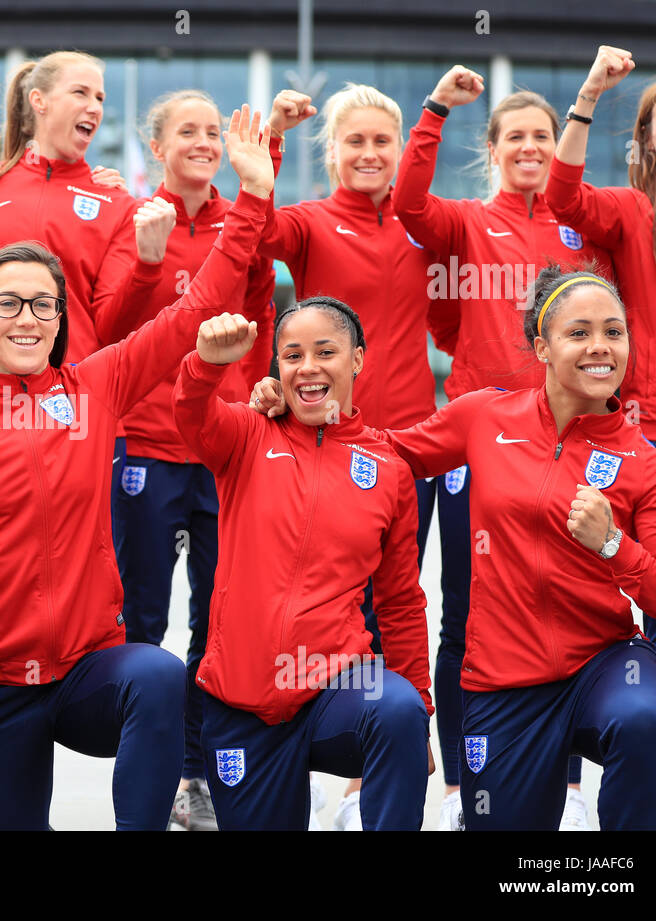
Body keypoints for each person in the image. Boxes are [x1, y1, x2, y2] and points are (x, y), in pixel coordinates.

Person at [0, 106, 274, 830]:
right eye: (7, 303)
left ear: (62, 318)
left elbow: (195, 311)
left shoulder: (97, 386)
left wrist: (251, 199)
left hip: (87, 673)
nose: (27, 318)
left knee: (158, 671)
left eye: (43, 304)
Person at [252, 266, 656, 830]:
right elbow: (384, 455)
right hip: (501, 680)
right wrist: (296, 410)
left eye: (614, 331)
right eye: (578, 333)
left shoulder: (645, 466)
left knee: (640, 720)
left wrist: (613, 545)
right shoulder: (486, 416)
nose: (599, 347)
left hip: (602, 667)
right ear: (542, 347)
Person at [392, 65, 616, 829]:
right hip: (482, 449)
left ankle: (574, 779)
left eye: (542, 137)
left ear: (559, 150)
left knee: (579, 608)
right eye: (515, 135)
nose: (529, 146)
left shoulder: (577, 231)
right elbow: (408, 203)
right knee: (465, 612)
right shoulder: (463, 224)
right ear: (491, 148)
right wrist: (433, 112)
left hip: (572, 446)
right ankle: (461, 783)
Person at [261, 83, 453, 828]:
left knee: (400, 604)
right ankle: (317, 759)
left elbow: (454, 317)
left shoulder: (419, 228)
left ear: (401, 149)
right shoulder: (308, 223)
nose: (370, 153)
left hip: (407, 452)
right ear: (332, 151)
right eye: (355, 142)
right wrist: (272, 138)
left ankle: (377, 775)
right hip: (322, 449)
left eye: (383, 141)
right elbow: (253, 236)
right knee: (335, 609)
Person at [173, 303, 433, 830]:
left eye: (325, 352)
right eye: (292, 355)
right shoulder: (246, 435)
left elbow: (402, 602)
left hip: (333, 694)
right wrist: (206, 363)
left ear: (357, 359)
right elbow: (191, 414)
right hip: (240, 702)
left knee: (398, 711)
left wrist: (421, 714)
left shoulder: (389, 470)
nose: (307, 367)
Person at [92, 88, 277, 831]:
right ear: (157, 146)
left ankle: (195, 774)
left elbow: (260, 315)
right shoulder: (133, 219)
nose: (203, 141)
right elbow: (107, 330)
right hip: (145, 445)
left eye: (213, 132)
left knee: (220, 615)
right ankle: (145, 771)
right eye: (187, 131)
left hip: (223, 443)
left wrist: (260, 387)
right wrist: (143, 261)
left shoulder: (245, 223)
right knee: (143, 615)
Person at [547, 45, 656, 829]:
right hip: (655, 445)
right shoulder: (634, 213)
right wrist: (591, 93)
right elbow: (564, 192)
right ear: (649, 139)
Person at [0, 50, 138, 365]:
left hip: (75, 391)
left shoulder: (116, 202)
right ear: (39, 100)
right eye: (81, 93)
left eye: (100, 98)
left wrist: (150, 265)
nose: (95, 107)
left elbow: (113, 324)